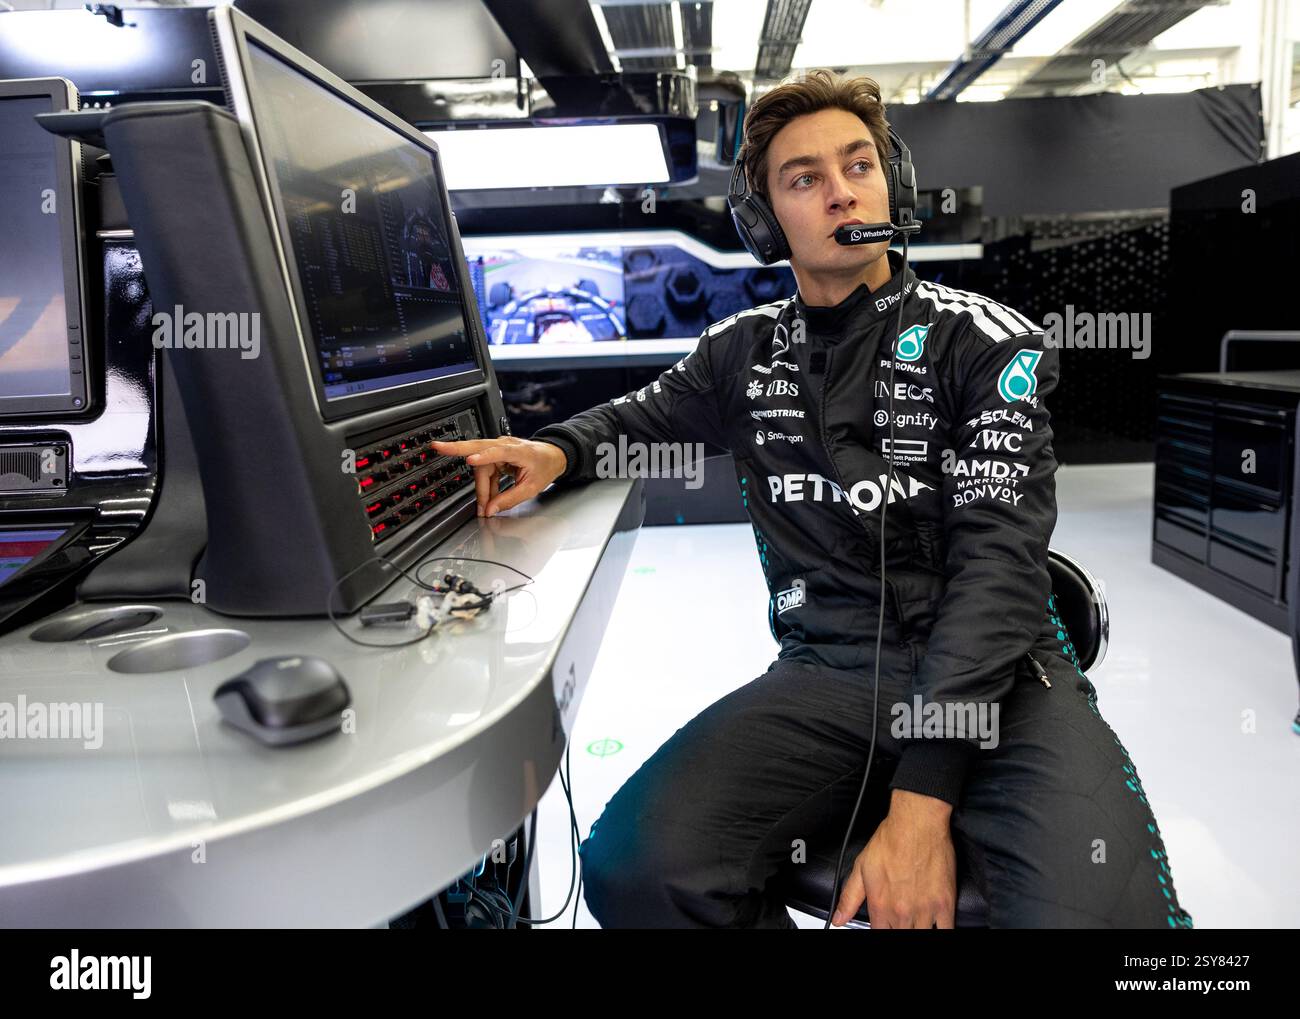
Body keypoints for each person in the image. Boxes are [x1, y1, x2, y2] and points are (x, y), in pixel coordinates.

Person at [430, 69, 1193, 929]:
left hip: (1004, 679)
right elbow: (637, 419)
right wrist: (552, 449)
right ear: (763, 222)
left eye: (859, 165)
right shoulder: (740, 353)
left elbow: (997, 568)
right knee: (634, 868)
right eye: (805, 179)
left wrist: (922, 802)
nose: (841, 191)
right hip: (829, 672)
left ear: (891, 182)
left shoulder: (985, 342)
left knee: (1108, 924)